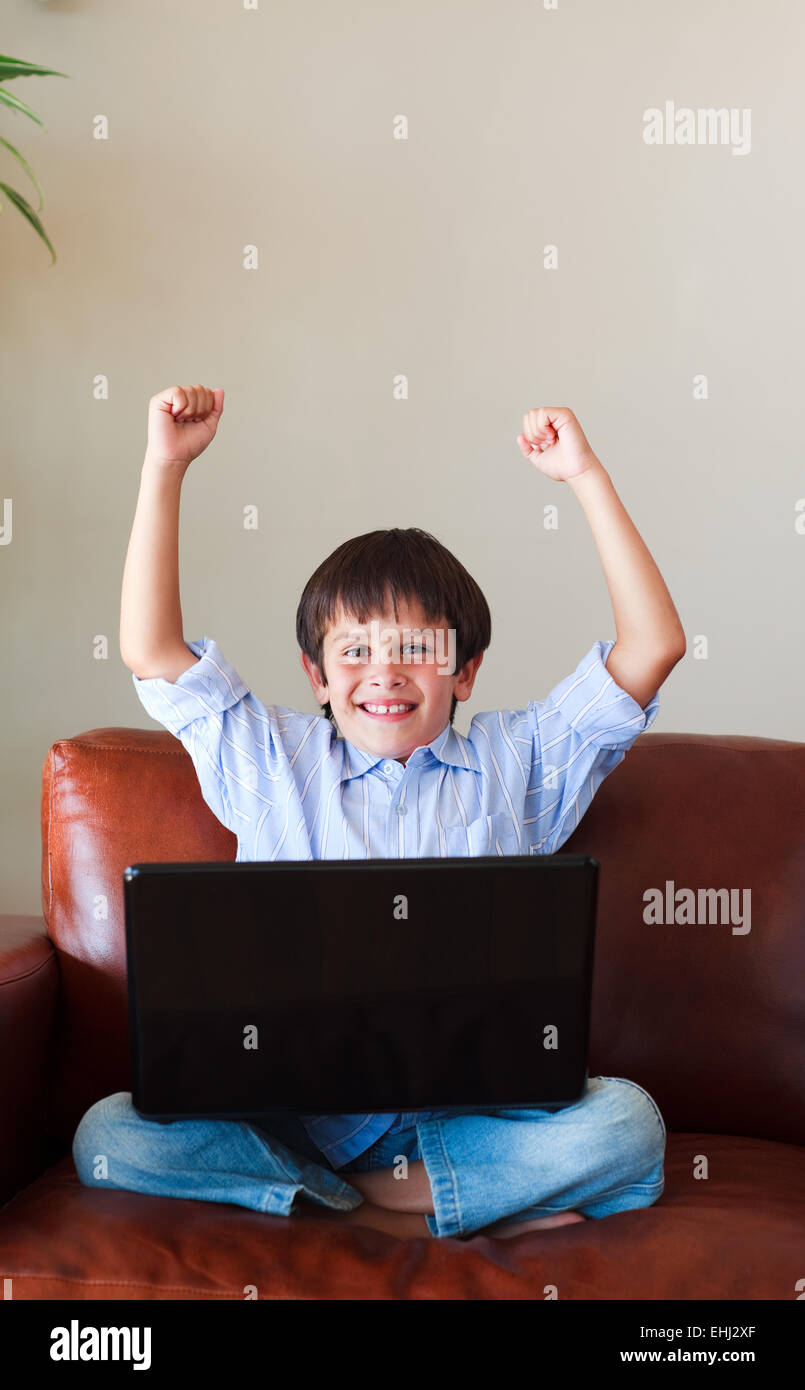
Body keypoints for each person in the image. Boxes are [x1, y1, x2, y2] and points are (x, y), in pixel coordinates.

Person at [72, 384, 685, 1240]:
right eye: (354, 652)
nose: (384, 673)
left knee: (627, 1124)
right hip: (293, 1115)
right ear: (316, 677)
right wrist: (165, 465)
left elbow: (652, 646)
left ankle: (352, 1208)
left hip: (466, 1115)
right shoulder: (270, 759)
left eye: (417, 651)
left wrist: (582, 475)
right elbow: (150, 649)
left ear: (464, 672)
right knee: (111, 1134)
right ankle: (406, 1208)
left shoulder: (520, 759)